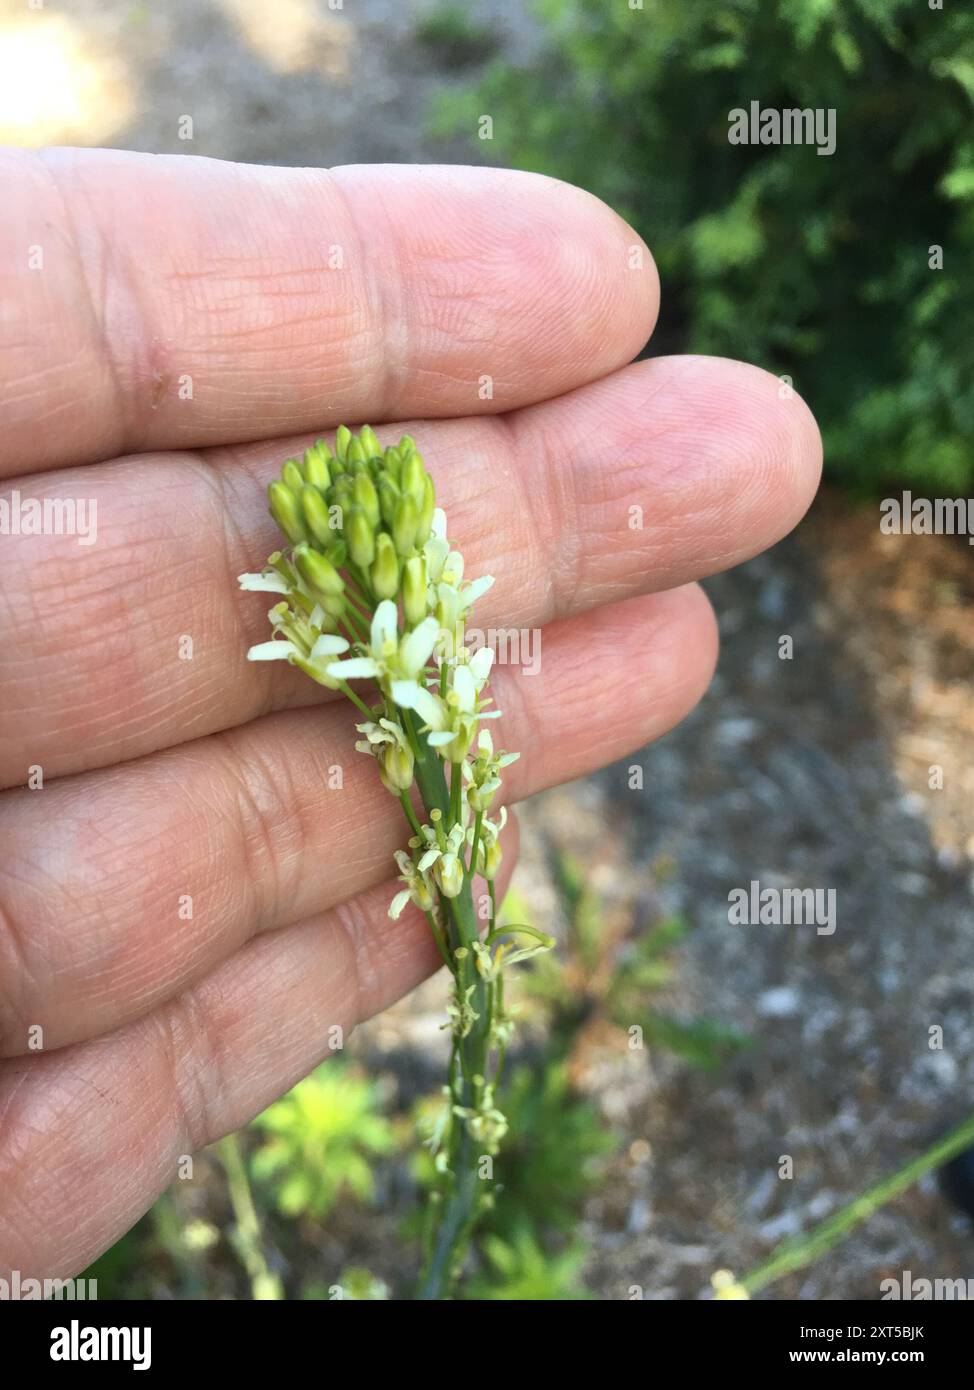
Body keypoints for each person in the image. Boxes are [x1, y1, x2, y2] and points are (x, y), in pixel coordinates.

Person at [0, 151, 822, 1280]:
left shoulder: (419, 638)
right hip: (402, 680)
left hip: (420, 690)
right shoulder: (351, 641)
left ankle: (465, 1160)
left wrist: (410, 676)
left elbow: (423, 705)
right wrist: (374, 661)